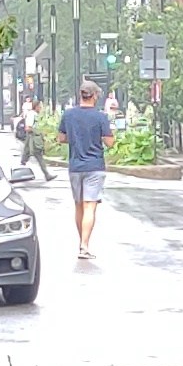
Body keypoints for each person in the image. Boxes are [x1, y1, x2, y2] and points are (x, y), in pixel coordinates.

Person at [59, 79, 114, 249]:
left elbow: (61, 138)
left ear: (80, 95)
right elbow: (109, 142)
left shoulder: (68, 115)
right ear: (95, 96)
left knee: (79, 206)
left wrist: (75, 138)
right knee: (90, 206)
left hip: (75, 166)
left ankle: (81, 241)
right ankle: (84, 245)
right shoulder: (100, 117)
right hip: (95, 166)